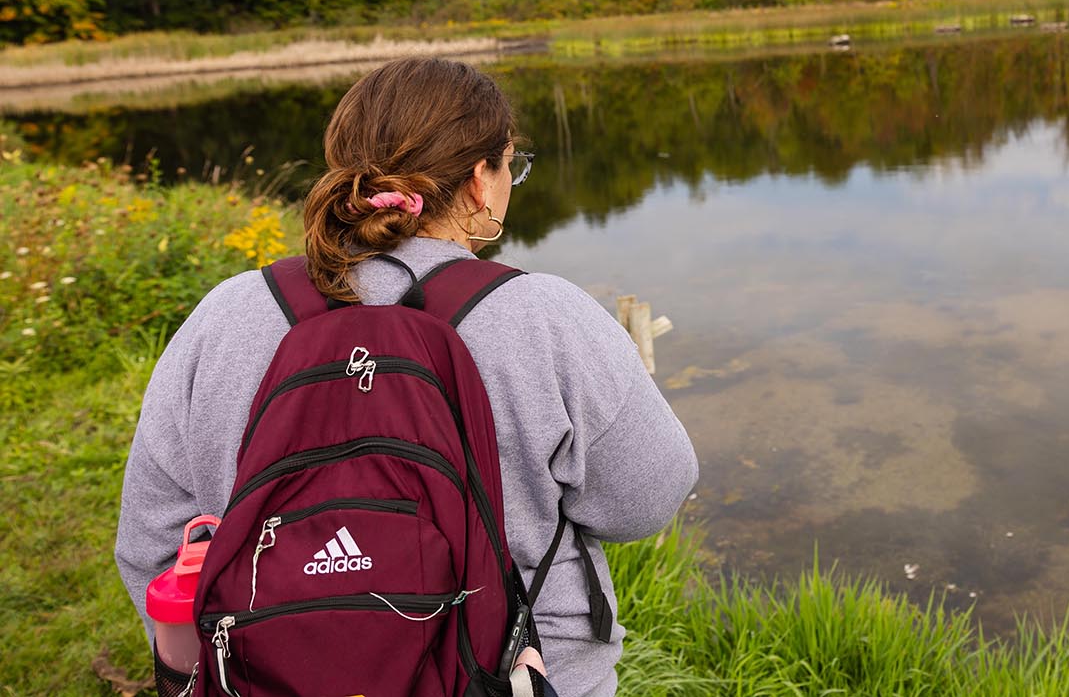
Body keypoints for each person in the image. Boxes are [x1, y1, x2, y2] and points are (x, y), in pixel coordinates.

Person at [115, 57, 698, 697]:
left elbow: (152, 541)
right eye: (511, 166)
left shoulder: (226, 316)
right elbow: (648, 498)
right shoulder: (545, 317)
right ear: (481, 180)